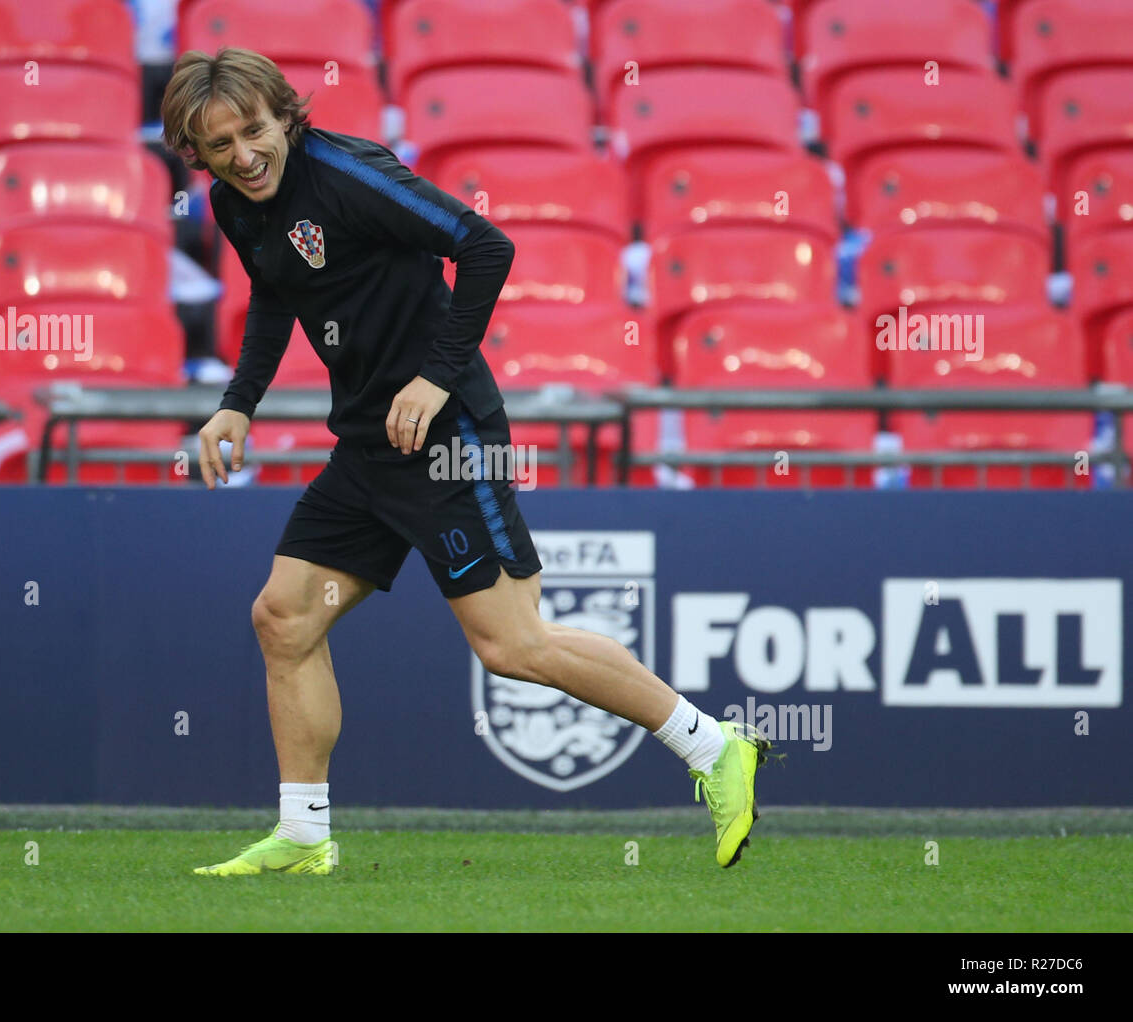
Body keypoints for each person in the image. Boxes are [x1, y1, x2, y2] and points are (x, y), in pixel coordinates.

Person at [160, 47, 772, 875]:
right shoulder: (234, 202)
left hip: (448, 439)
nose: (244, 155)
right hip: (370, 447)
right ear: (197, 152)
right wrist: (239, 400)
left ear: (285, 115)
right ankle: (304, 836)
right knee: (284, 618)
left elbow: (485, 245)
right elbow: (276, 294)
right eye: (221, 145)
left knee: (513, 647)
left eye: (255, 131)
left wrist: (433, 379)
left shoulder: (350, 175)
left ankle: (715, 746)